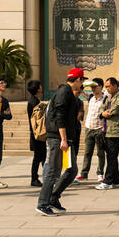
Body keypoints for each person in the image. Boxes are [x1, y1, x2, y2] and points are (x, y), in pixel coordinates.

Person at [38, 68, 85, 216]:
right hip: (58, 139)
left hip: (65, 138)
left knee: (72, 170)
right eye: (82, 80)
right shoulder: (64, 92)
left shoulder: (68, 93)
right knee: (53, 171)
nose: (82, 84)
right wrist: (63, 139)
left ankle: (53, 197)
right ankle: (42, 204)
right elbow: (60, 116)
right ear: (77, 80)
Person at [98, 76, 119, 190]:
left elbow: (116, 109)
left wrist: (106, 113)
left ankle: (108, 181)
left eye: (108, 86)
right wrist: (103, 113)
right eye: (105, 87)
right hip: (107, 130)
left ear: (115, 85)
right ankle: (116, 180)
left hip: (115, 130)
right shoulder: (108, 96)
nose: (107, 89)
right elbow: (102, 109)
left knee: (111, 156)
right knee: (112, 156)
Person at [77, 80, 107, 183]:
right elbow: (80, 92)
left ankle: (100, 173)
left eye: (95, 86)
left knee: (100, 153)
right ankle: (84, 173)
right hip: (89, 128)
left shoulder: (105, 99)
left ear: (101, 87)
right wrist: (83, 84)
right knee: (87, 152)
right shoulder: (90, 97)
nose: (93, 89)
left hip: (99, 128)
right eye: (92, 87)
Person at [26, 79, 46, 188]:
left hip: (36, 133)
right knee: (38, 157)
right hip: (37, 134)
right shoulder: (34, 102)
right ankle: (34, 179)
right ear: (38, 88)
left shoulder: (35, 100)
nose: (41, 87)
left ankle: (46, 176)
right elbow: (38, 119)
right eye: (40, 86)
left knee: (42, 156)